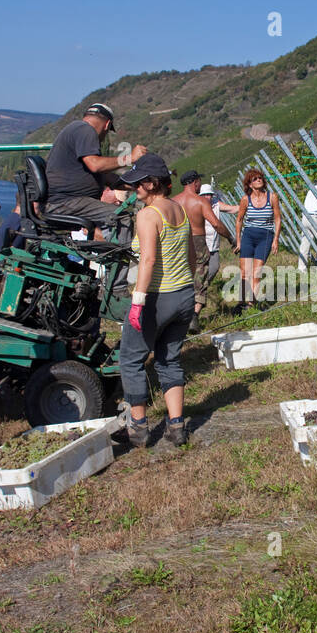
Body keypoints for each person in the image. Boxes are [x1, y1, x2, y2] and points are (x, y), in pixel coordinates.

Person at [117, 154, 196, 448]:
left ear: (151, 184)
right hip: (184, 294)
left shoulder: (148, 215)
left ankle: (138, 429)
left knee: (131, 358)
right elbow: (191, 255)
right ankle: (176, 427)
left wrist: (137, 301)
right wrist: (191, 291)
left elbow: (148, 259)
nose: (135, 187)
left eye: (139, 182)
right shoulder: (180, 209)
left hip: (157, 298)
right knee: (169, 358)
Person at [44, 103, 146, 234]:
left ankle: (110, 251)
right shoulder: (85, 130)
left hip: (65, 201)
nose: (104, 137)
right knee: (122, 218)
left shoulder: (78, 130)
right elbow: (95, 165)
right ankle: (120, 254)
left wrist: (136, 184)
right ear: (107, 125)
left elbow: (104, 176)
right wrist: (130, 158)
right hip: (65, 202)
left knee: (114, 218)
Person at [177, 171, 234, 334]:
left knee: (181, 276)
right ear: (195, 183)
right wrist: (230, 238)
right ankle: (193, 315)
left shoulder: (174, 202)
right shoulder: (200, 201)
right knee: (200, 278)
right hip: (198, 240)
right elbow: (216, 224)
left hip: (179, 242)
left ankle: (179, 313)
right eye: (199, 181)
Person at [233, 167, 282, 307]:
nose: (258, 180)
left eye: (260, 177)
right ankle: (241, 302)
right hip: (248, 236)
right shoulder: (245, 200)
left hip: (265, 236)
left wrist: (276, 239)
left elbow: (278, 219)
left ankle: (251, 303)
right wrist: (238, 241)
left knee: (256, 272)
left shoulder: (272, 197)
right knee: (244, 272)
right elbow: (239, 220)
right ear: (250, 184)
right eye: (255, 179)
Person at [200, 185, 237, 284]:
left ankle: (203, 285)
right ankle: (199, 289)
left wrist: (246, 205)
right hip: (201, 244)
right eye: (205, 195)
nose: (207, 197)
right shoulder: (197, 206)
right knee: (200, 269)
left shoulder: (216, 204)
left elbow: (232, 209)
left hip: (213, 244)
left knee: (214, 267)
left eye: (209, 194)